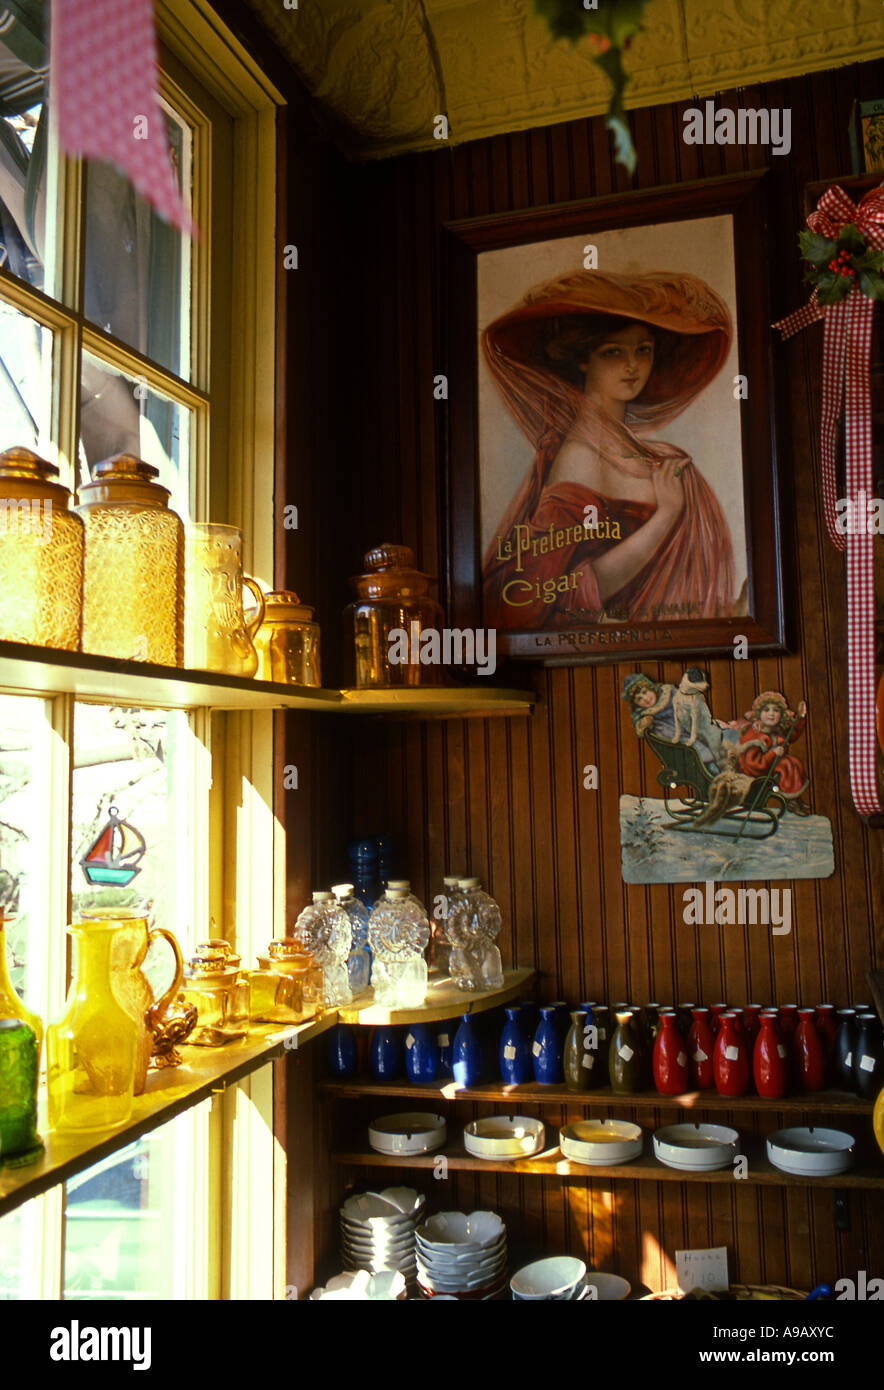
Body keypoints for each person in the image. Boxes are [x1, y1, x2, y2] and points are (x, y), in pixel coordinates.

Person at [481, 269, 740, 630]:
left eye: (643, 350)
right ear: (583, 359)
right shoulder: (579, 459)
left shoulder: (658, 455)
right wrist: (666, 515)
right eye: (613, 351)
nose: (632, 366)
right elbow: (547, 596)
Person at [737, 691, 810, 815]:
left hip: (768, 763)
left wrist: (801, 716)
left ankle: (794, 798)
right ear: (759, 714)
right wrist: (772, 753)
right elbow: (752, 763)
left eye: (776, 710)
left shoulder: (774, 729)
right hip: (754, 768)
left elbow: (792, 734)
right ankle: (790, 801)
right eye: (766, 710)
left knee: (793, 762)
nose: (771, 713)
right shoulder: (755, 735)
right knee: (787, 764)